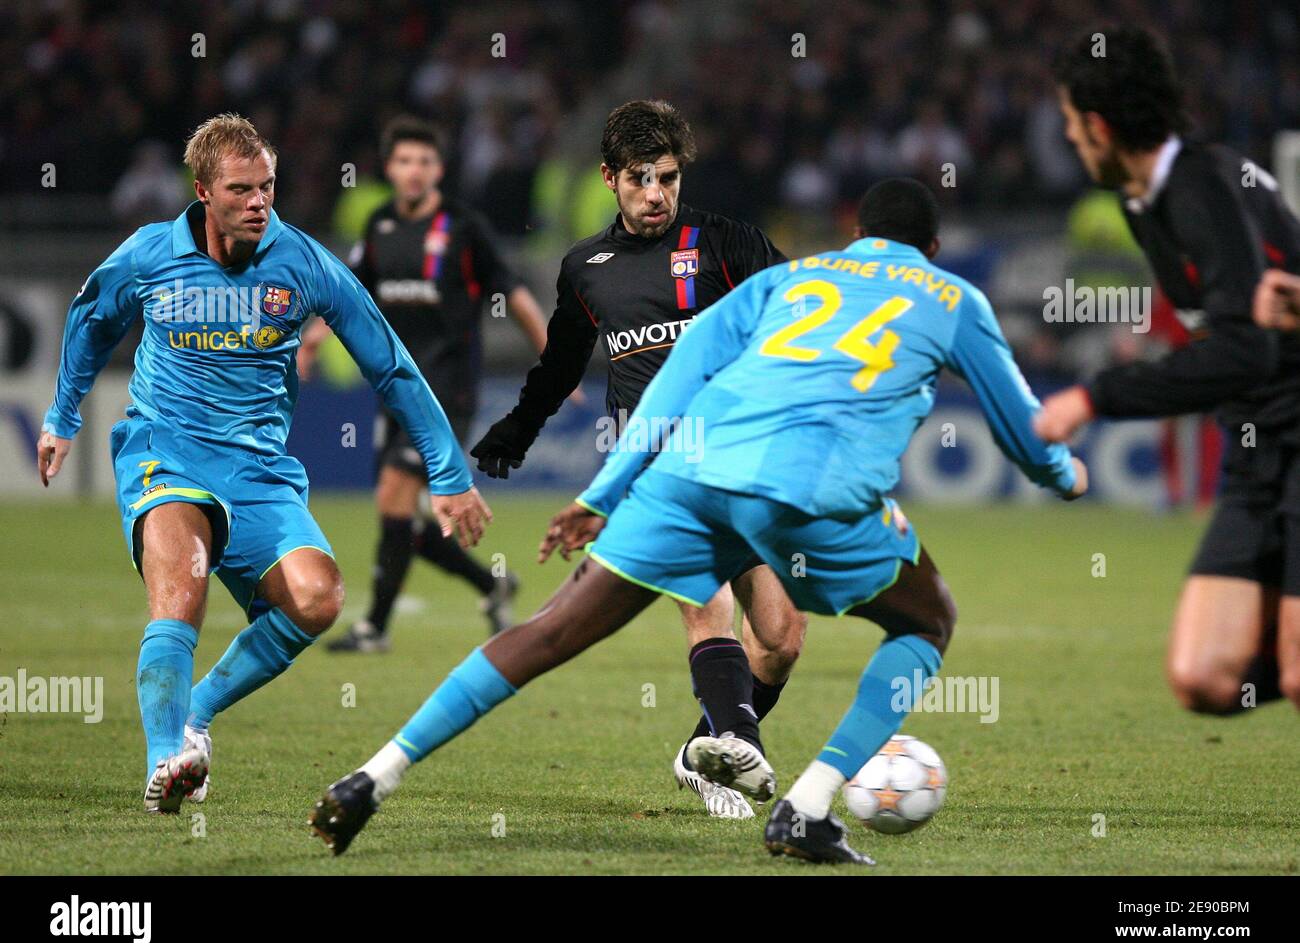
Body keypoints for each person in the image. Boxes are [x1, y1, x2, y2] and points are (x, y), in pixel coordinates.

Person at [308, 178, 1086, 864]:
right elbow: (1028, 435)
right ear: (934, 248)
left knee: (547, 631)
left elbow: (677, 378)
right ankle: (805, 808)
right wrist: (1066, 474)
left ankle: (372, 774)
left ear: (856, 236)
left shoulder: (793, 278)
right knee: (928, 618)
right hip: (806, 490)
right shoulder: (953, 299)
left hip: (687, 470)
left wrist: (602, 493)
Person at [36, 113, 490, 813]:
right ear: (203, 191)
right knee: (182, 591)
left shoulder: (304, 264)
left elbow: (391, 368)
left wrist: (450, 471)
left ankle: (196, 714)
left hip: (257, 470)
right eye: (242, 189)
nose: (259, 202)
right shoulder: (151, 253)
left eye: (268, 187)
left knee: (319, 598)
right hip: (166, 452)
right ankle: (166, 761)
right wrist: (63, 416)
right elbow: (92, 319)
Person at [469, 100, 808, 820]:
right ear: (609, 179)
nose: (656, 194)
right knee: (708, 603)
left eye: (668, 178)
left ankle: (702, 750)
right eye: (640, 179)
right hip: (656, 468)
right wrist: (517, 429)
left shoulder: (728, 245)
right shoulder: (585, 268)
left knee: (779, 638)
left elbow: (801, 316)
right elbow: (560, 366)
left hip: (742, 464)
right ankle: (736, 742)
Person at [1037, 27, 1300, 714]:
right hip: (1258, 451)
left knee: (1298, 673)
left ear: (1098, 126)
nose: (1069, 139)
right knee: (1206, 678)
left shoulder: (1202, 186)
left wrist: (1096, 397)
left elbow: (1249, 350)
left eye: (1071, 124)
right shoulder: (1141, 200)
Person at [299, 117, 550, 651]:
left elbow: (515, 293)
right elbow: (349, 293)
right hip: (396, 390)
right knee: (408, 520)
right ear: (390, 168)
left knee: (395, 497)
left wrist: (556, 360)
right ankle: (492, 584)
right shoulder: (380, 224)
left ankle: (374, 629)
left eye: (426, 162)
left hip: (447, 392)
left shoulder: (463, 226)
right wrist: (313, 337)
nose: (415, 171)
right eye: (405, 161)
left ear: (439, 169)